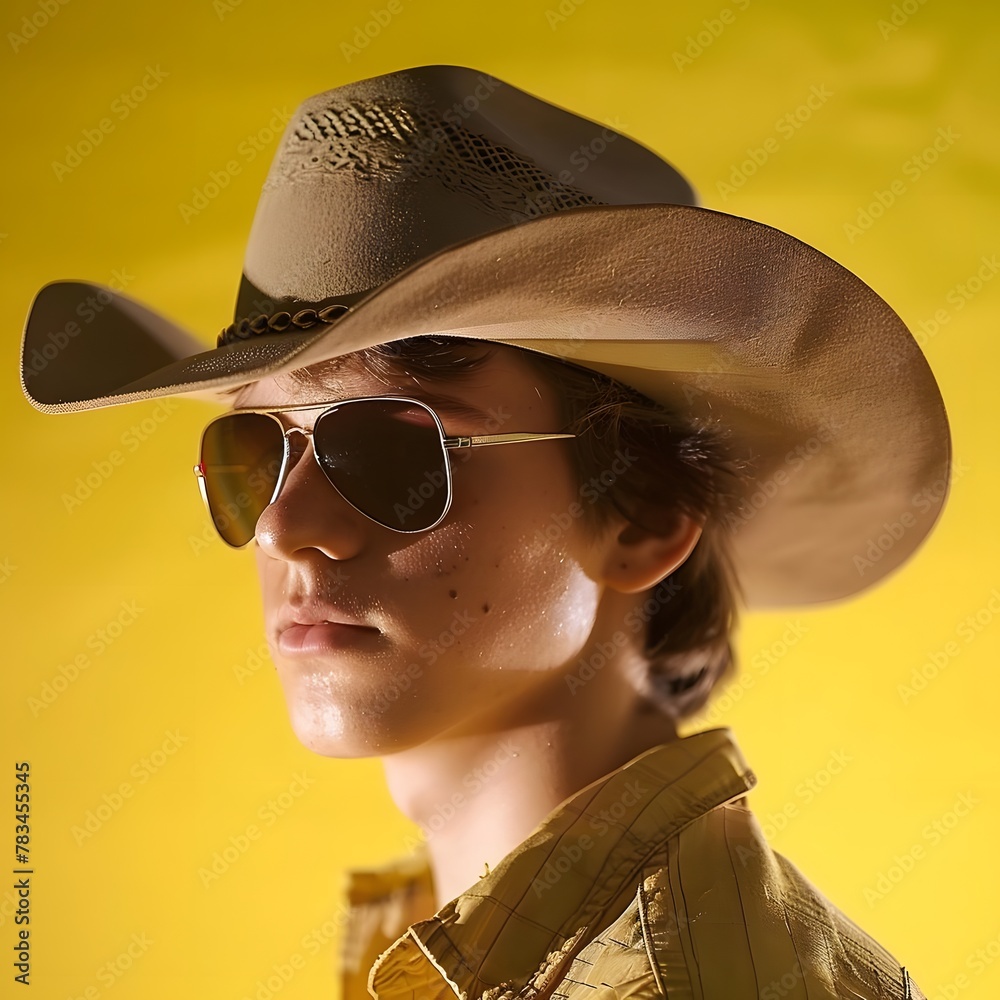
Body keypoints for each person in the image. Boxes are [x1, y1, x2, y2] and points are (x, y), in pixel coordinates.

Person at [20, 64, 948, 999]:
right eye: (254, 450)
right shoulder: (466, 941)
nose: (282, 528)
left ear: (642, 514)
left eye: (391, 449)